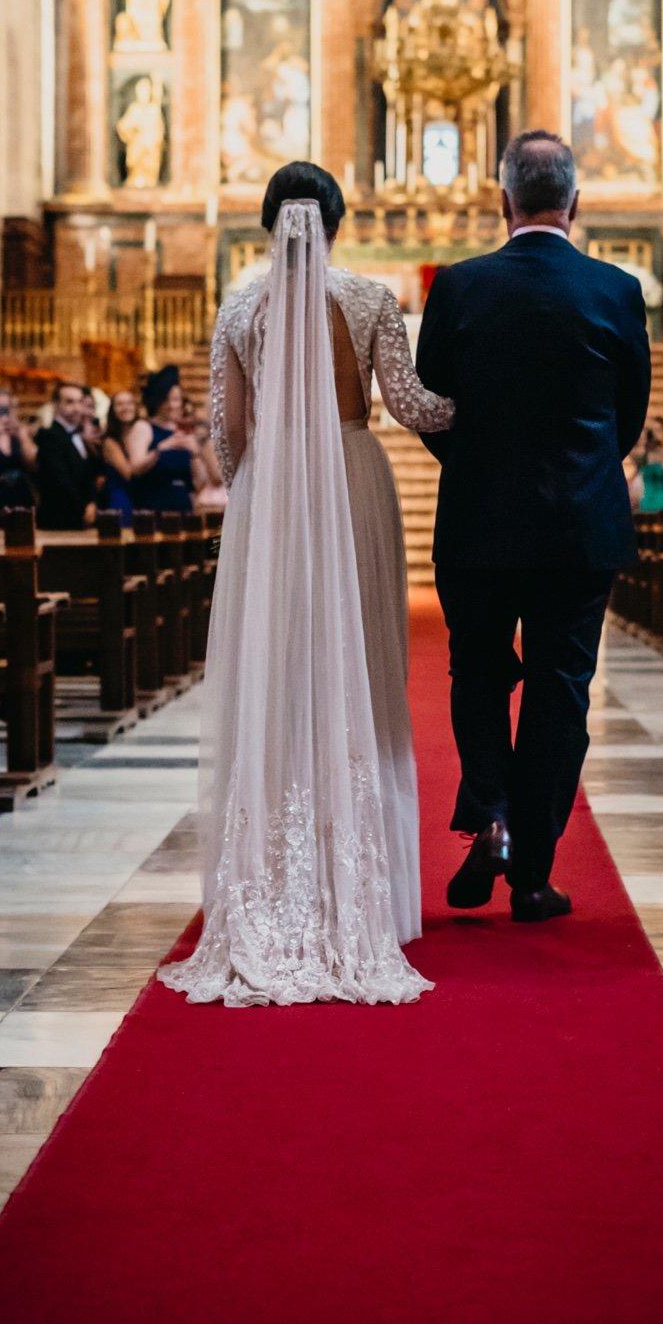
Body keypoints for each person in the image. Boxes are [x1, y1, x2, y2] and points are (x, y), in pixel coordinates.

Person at [161, 160, 452, 1007]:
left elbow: (228, 429)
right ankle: (371, 888)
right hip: (354, 481)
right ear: (337, 221)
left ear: (265, 222)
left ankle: (267, 874)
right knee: (363, 663)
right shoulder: (367, 300)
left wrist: (259, 498)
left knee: (279, 670)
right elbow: (409, 403)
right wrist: (483, 405)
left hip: (271, 498)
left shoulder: (240, 306)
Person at [415, 130, 650, 921]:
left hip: (479, 522)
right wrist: (580, 471)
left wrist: (478, 465)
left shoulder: (457, 286)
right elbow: (630, 416)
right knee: (561, 689)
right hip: (580, 526)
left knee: (477, 672)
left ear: (501, 201)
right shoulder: (615, 290)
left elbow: (430, 405)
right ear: (575, 204)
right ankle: (534, 873)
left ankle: (494, 817)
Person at [132, 366, 197, 515]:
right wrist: (162, 447)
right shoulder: (144, 427)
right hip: (153, 503)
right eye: (166, 399)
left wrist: (196, 454)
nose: (171, 405)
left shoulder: (181, 430)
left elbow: (199, 482)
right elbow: (135, 468)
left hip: (183, 504)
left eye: (175, 399)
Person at [35, 381, 99, 530]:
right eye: (69, 402)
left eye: (79, 402)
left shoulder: (81, 435)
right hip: (58, 520)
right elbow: (59, 478)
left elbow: (89, 475)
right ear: (56, 404)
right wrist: (84, 507)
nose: (76, 408)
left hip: (81, 520)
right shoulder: (48, 435)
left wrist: (92, 503)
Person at [0, 389, 38, 523]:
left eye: (7, 408)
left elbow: (33, 464)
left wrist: (22, 435)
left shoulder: (20, 433)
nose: (2, 413)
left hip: (21, 499)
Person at [101, 389, 159, 521]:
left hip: (142, 497)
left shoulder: (142, 433)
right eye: (120, 404)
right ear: (112, 410)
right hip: (122, 499)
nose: (125, 408)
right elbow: (128, 473)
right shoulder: (111, 441)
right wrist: (158, 452)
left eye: (129, 403)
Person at [636, 420, 663, 511]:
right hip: (646, 504)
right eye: (652, 431)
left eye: (659, 430)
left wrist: (662, 452)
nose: (655, 435)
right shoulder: (645, 455)